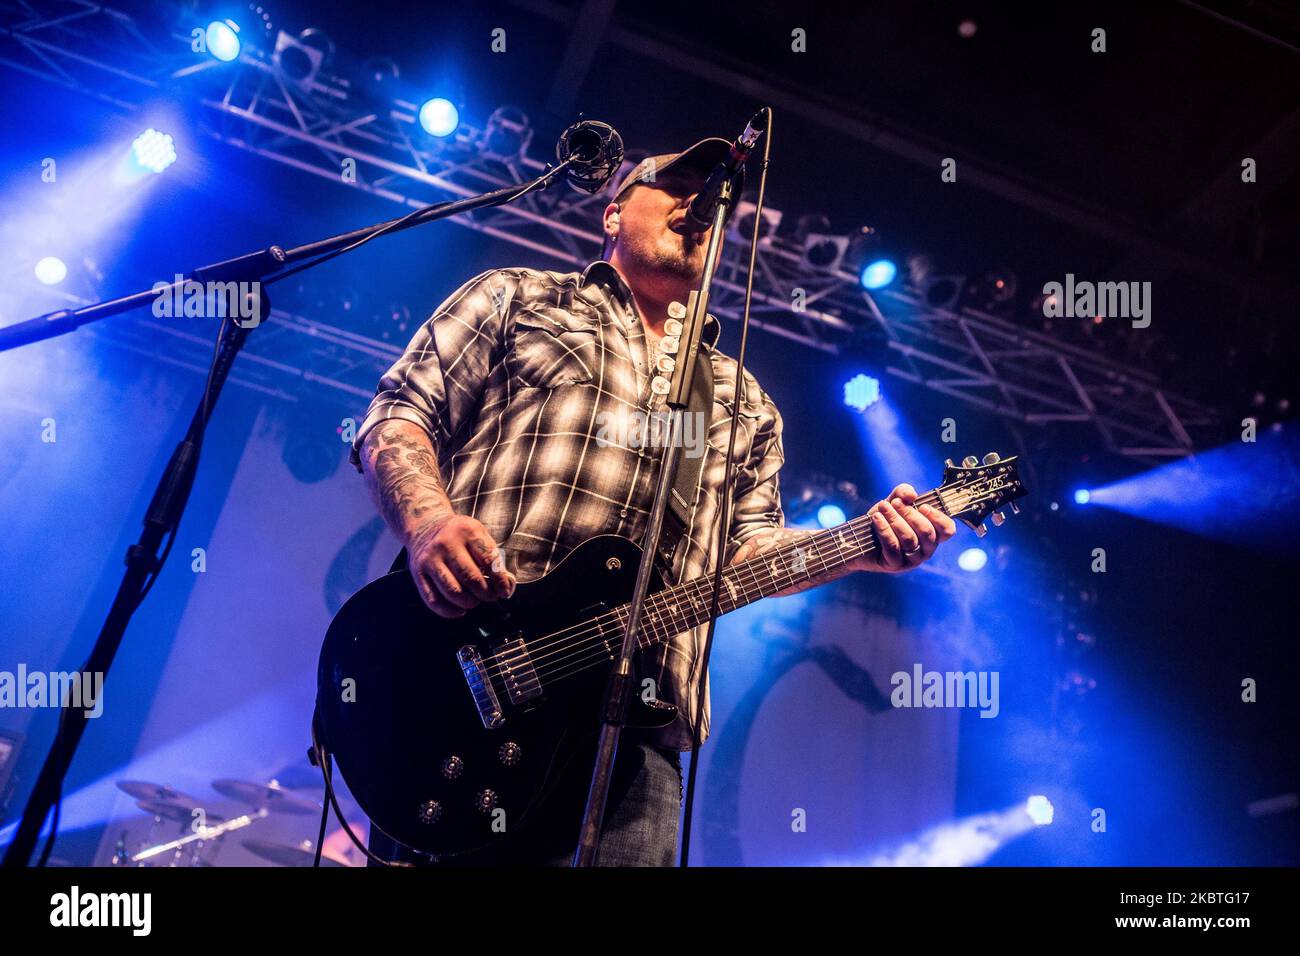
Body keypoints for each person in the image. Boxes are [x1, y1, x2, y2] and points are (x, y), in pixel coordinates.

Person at [349, 138, 956, 866]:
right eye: (675, 186)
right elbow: (398, 415)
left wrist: (866, 546)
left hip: (639, 741)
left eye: (714, 202)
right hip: (462, 696)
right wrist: (429, 525)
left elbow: (747, 552)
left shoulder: (743, 401)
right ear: (613, 211)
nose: (699, 207)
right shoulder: (517, 297)